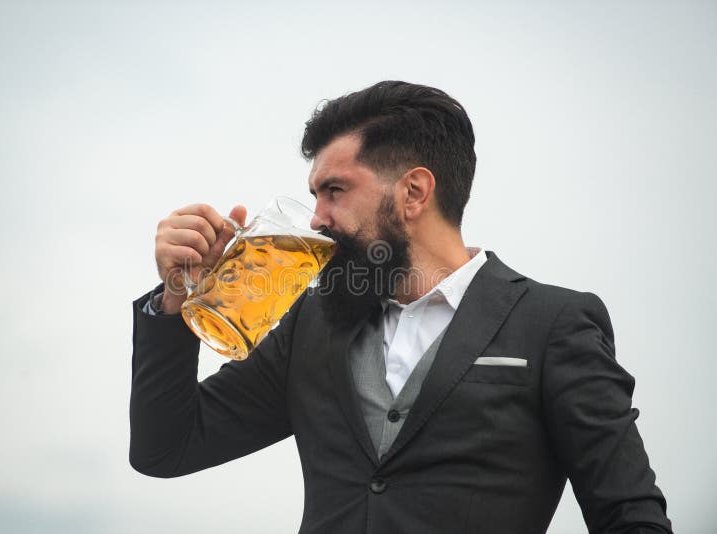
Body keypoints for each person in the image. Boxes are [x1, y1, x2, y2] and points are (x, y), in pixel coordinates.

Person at [129, 81, 673, 533]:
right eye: (314, 194)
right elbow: (166, 448)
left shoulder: (552, 323)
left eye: (334, 190)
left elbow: (629, 515)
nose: (316, 218)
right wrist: (174, 300)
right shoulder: (309, 327)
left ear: (414, 192)